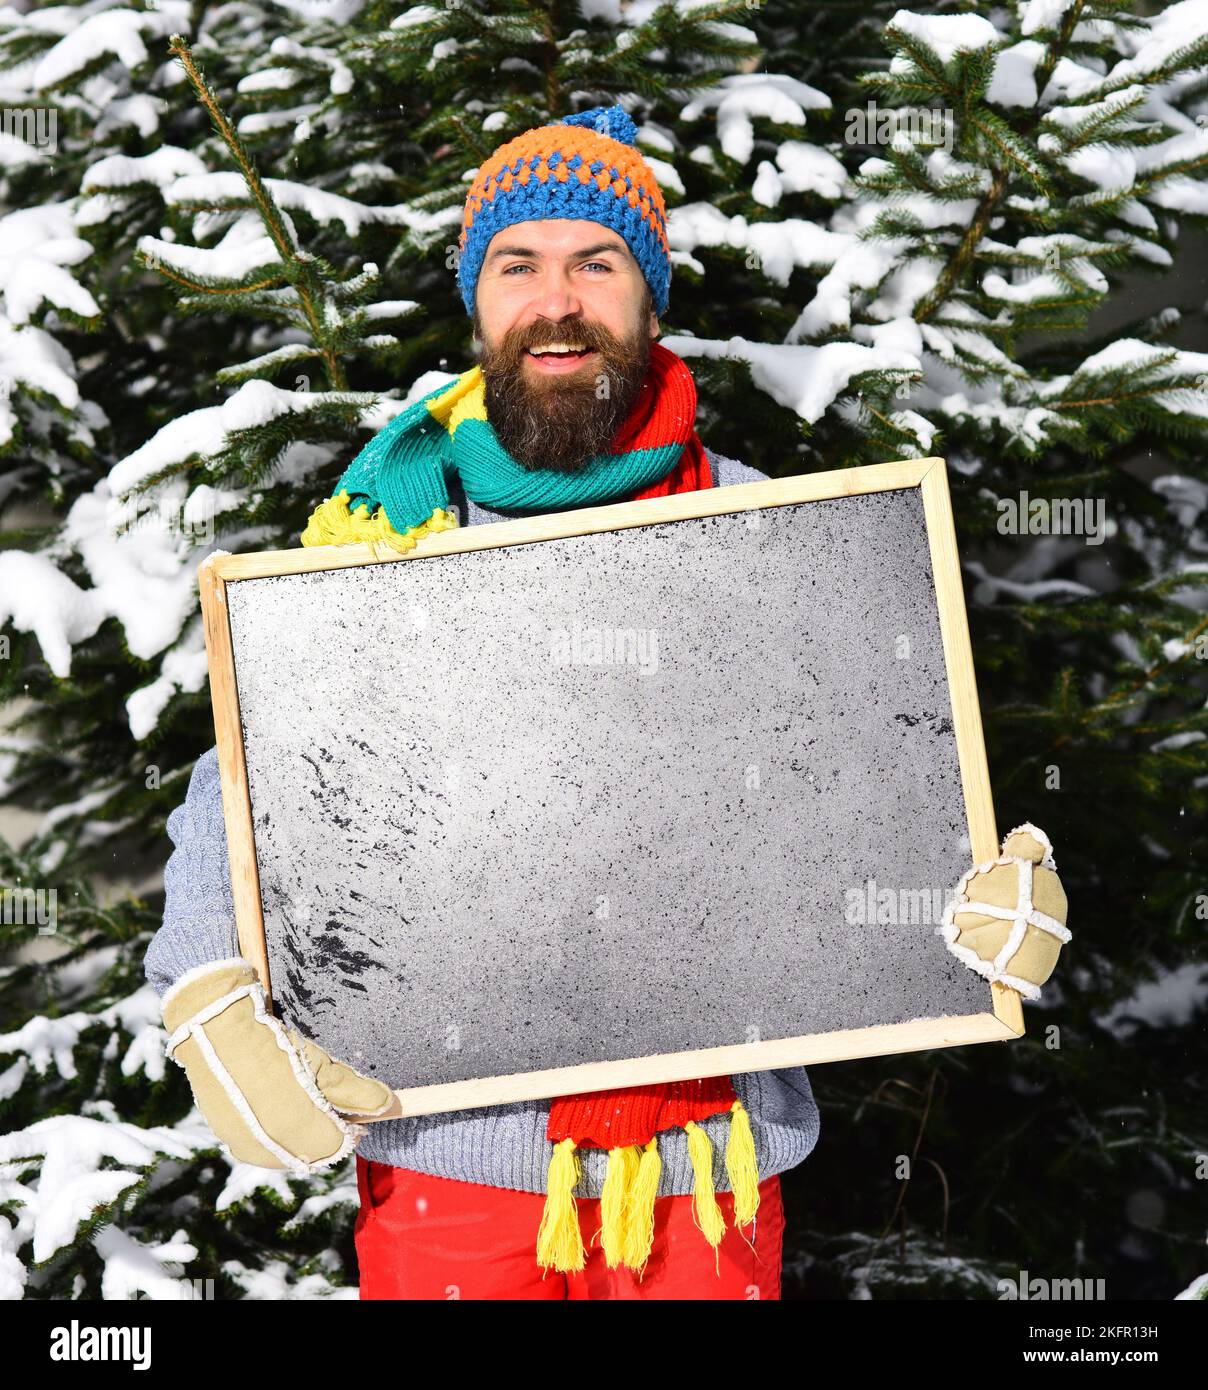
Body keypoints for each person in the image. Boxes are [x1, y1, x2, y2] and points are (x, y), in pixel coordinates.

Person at [145, 106, 1070, 1301]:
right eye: (517, 266)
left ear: (647, 297)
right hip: (447, 1155)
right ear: (479, 304)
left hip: (710, 1169)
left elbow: (875, 782)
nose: (557, 299)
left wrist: (975, 911)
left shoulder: (760, 523)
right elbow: (248, 780)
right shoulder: (388, 529)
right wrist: (205, 983)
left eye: (597, 262)